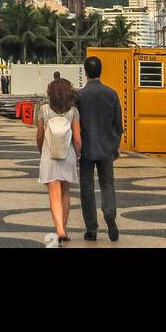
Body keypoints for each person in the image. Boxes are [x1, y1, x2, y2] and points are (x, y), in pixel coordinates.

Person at [77, 55, 123, 241]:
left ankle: (91, 228)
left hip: (86, 149)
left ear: (86, 71)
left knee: (86, 188)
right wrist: (115, 146)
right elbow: (118, 124)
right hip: (106, 148)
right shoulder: (111, 94)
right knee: (107, 184)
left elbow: (75, 124)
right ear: (100, 71)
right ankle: (109, 212)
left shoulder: (79, 95)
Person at [36, 76, 81, 245]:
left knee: (54, 193)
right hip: (67, 155)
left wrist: (41, 150)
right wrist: (76, 155)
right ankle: (64, 228)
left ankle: (59, 230)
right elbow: (77, 139)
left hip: (49, 155)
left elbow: (39, 135)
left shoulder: (44, 110)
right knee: (65, 193)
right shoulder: (73, 112)